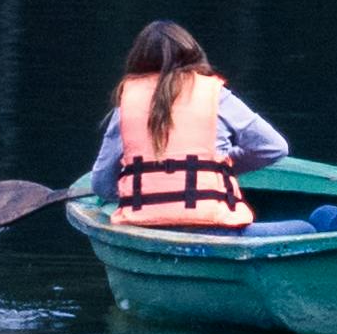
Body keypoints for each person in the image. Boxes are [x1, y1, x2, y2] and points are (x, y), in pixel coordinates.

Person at [83, 18, 285, 229]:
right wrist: (221, 165)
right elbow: (274, 148)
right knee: (312, 224)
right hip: (216, 230)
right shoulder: (217, 97)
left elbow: (101, 185)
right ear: (193, 55)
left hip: (143, 227)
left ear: (137, 60)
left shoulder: (126, 103)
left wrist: (138, 190)